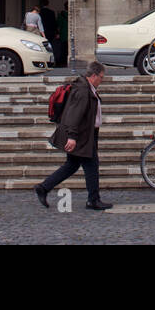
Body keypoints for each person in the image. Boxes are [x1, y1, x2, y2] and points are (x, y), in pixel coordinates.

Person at [35, 61, 112, 210]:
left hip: (85, 134)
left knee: (72, 165)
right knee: (91, 166)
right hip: (82, 136)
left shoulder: (86, 87)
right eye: (101, 77)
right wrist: (72, 137)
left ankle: (43, 187)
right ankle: (93, 200)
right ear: (94, 75)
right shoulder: (83, 90)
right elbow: (74, 115)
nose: (102, 81)